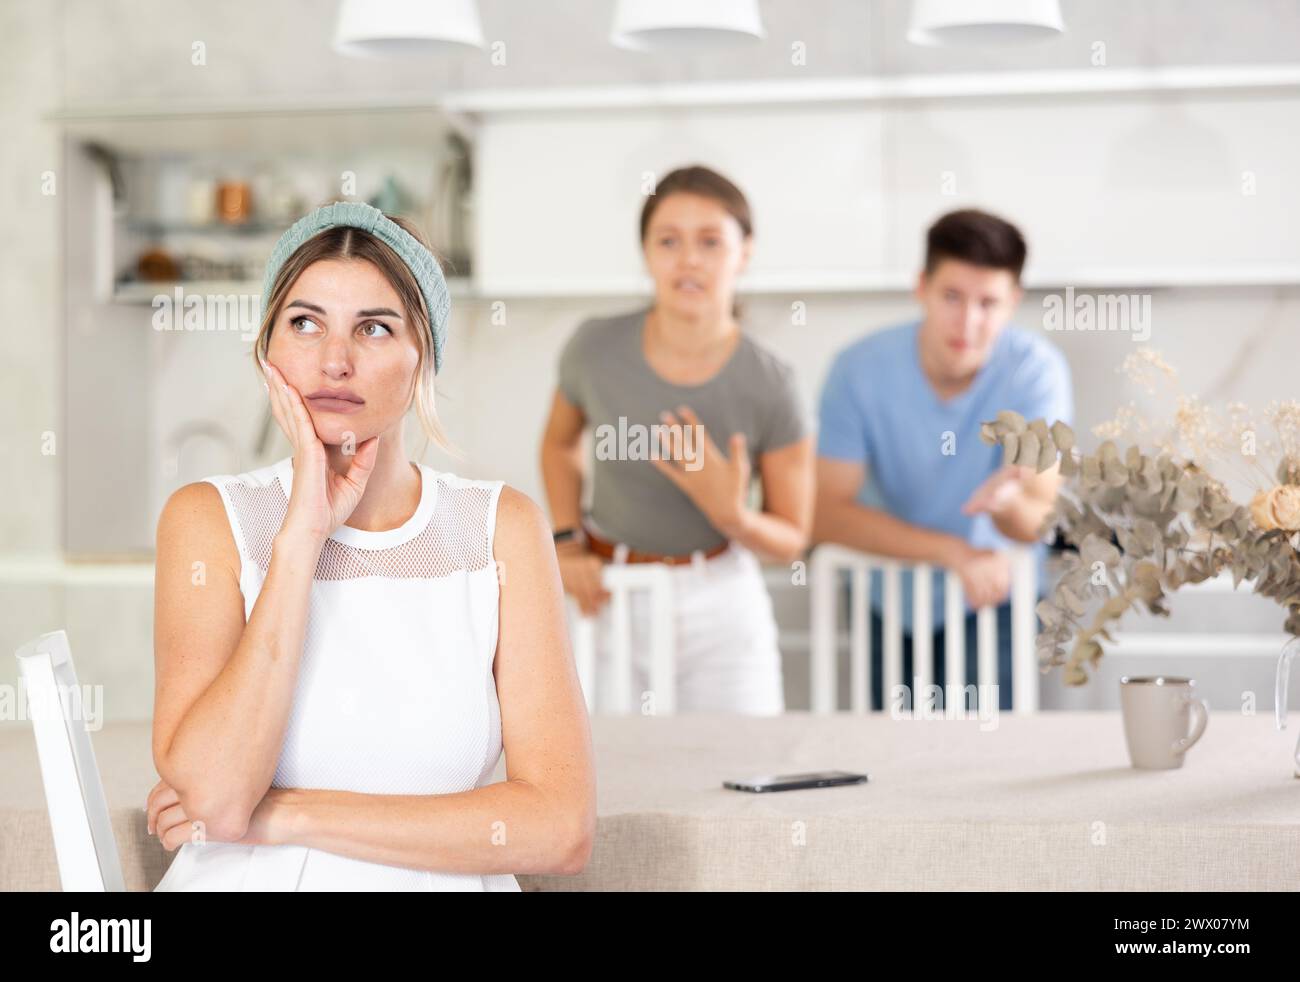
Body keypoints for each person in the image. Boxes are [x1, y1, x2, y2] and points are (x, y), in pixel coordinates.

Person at [147, 202, 595, 890]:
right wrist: (301, 537)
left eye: (375, 329)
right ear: (269, 351)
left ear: (424, 359)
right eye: (304, 323)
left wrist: (284, 817)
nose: (334, 361)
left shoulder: (500, 528)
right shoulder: (207, 519)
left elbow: (558, 828)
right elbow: (215, 792)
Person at [540, 165, 814, 715]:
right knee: (610, 776)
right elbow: (559, 445)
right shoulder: (594, 348)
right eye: (669, 241)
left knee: (740, 776)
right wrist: (566, 543)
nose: (688, 259)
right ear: (646, 253)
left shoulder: (773, 382)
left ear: (744, 252)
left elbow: (792, 538)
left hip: (721, 603)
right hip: (610, 594)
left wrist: (731, 515)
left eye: (710, 242)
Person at [813, 208, 1073, 712]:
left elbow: (1039, 518)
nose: (969, 322)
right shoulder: (858, 370)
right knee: (888, 755)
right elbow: (825, 514)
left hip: (992, 598)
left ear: (1013, 302)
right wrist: (952, 551)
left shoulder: (1035, 373)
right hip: (884, 594)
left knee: (984, 763)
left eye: (989, 303)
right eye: (952, 297)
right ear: (921, 287)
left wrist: (1007, 504)